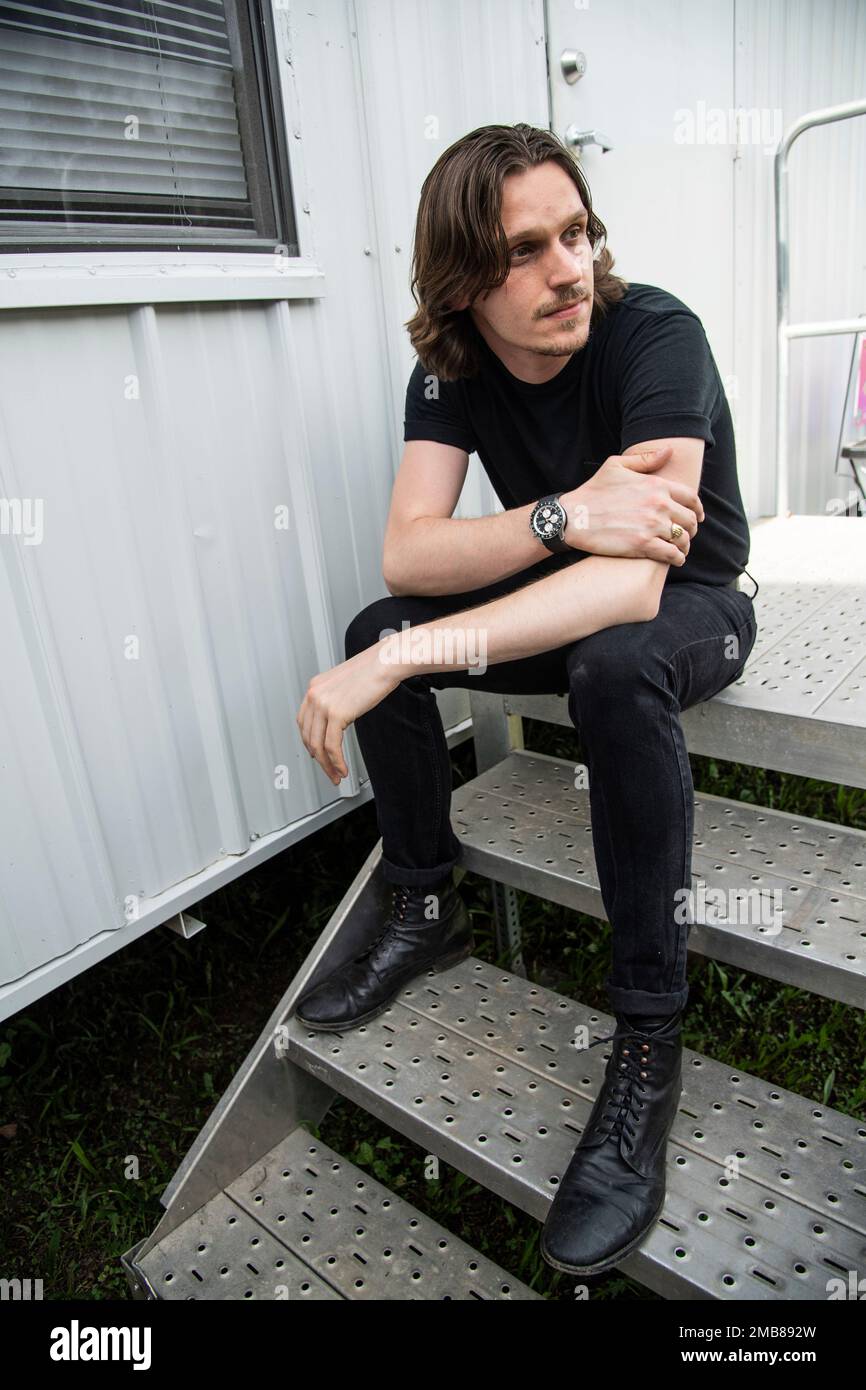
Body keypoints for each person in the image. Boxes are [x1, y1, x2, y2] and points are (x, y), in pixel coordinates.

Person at [294, 122, 758, 1277]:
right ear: (460, 284)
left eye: (578, 232)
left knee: (604, 663)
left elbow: (635, 576)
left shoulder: (655, 333)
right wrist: (555, 516)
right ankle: (421, 904)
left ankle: (647, 1029)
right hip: (563, 592)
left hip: (693, 604)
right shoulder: (448, 368)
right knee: (374, 628)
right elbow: (410, 553)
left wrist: (418, 650)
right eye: (525, 250)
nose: (569, 270)